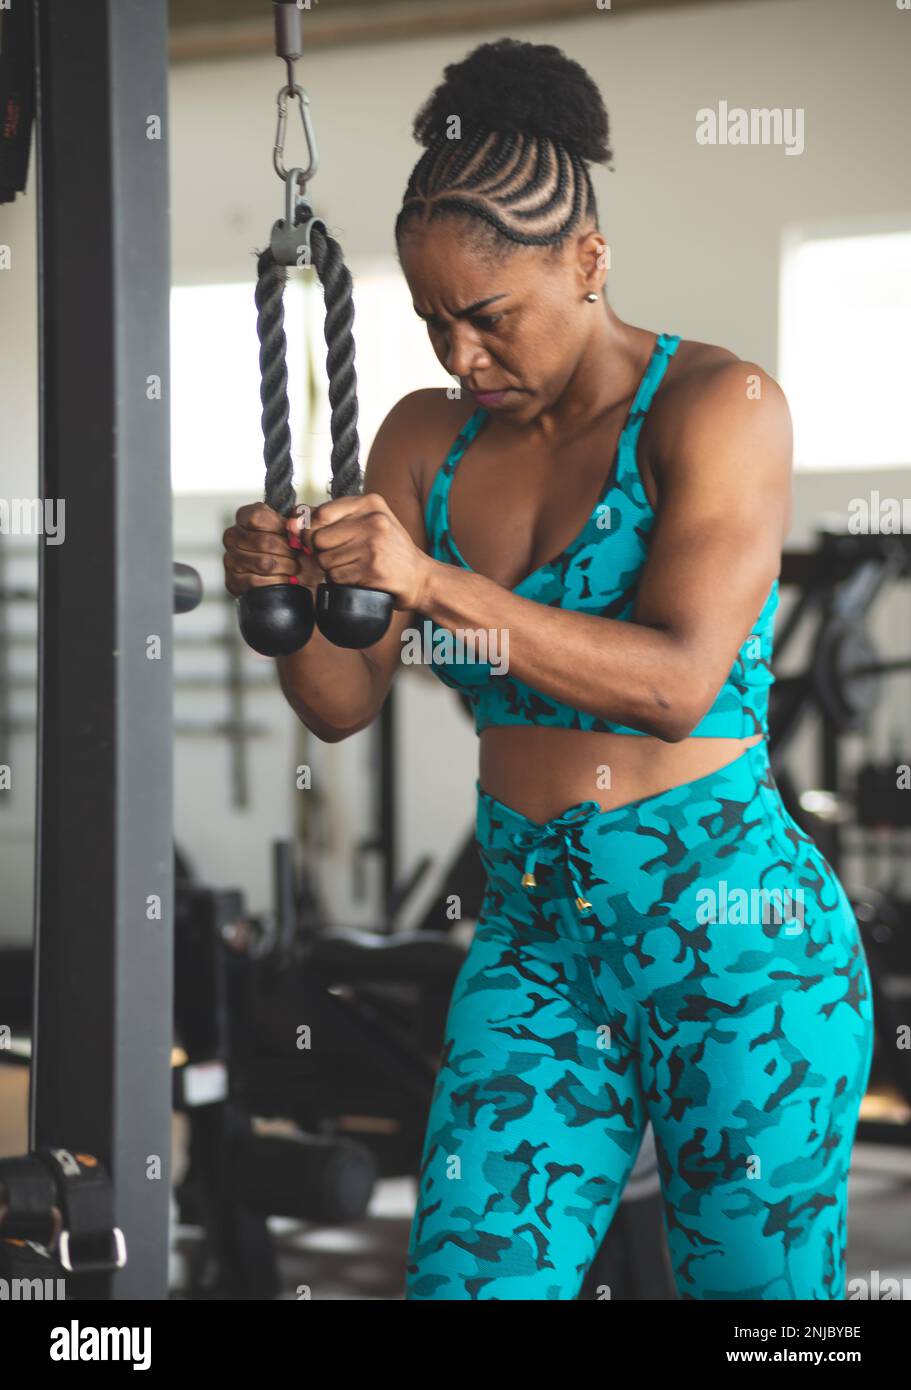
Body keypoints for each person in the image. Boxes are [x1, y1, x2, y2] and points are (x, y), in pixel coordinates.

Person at [222, 37, 875, 1301]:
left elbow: (679, 682)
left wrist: (433, 583)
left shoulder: (717, 403)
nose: (459, 355)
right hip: (534, 936)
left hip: (734, 943)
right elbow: (342, 705)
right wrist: (286, 600)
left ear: (585, 260)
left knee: (761, 1312)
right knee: (467, 1283)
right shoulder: (426, 436)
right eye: (431, 321)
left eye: (487, 315)